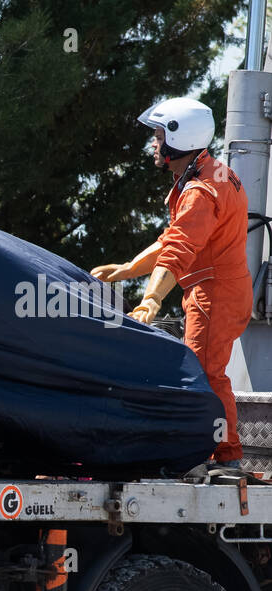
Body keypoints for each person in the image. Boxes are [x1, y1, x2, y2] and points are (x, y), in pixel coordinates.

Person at [92, 97, 253, 466]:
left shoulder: (199, 191)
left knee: (205, 375)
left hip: (216, 294)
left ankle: (224, 457)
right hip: (222, 289)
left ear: (179, 138)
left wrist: (151, 300)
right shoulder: (214, 174)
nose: (154, 143)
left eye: (159, 135)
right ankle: (214, 453)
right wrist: (127, 268)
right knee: (205, 373)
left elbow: (178, 251)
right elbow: (173, 239)